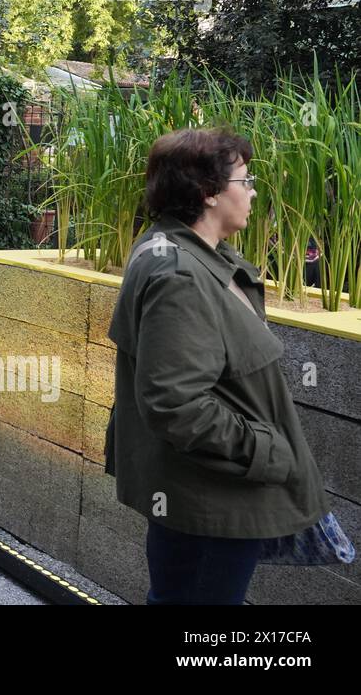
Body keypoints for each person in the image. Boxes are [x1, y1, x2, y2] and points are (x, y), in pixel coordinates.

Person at [107, 127, 328, 605]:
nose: (251, 193)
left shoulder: (186, 252)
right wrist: (264, 451)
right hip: (211, 499)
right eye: (244, 181)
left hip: (200, 492)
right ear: (208, 193)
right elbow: (176, 403)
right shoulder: (180, 274)